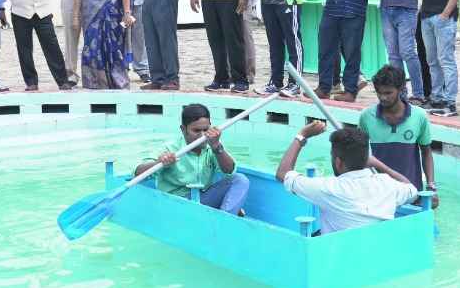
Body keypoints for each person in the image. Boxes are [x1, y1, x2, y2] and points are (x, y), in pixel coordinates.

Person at [276, 121, 419, 234]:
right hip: (376, 257)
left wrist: (302, 135)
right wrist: (380, 165)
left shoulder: (328, 188)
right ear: (366, 160)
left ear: (338, 162)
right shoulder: (387, 184)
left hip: (337, 259)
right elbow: (412, 189)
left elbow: (282, 173)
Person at [135, 102, 249, 213]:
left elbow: (229, 171)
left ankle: (223, 221)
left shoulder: (213, 143)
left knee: (240, 180)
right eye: (196, 131)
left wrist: (217, 147)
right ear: (183, 129)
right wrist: (159, 163)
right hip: (177, 205)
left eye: (206, 129)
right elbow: (138, 174)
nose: (202, 135)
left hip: (203, 199)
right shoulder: (170, 148)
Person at [358, 65, 437, 204]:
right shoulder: (366, 117)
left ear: (401, 89)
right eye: (379, 92)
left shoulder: (419, 116)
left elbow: (426, 152)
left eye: (388, 93)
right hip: (380, 195)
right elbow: (357, 153)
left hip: (412, 194)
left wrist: (431, 186)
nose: (383, 97)